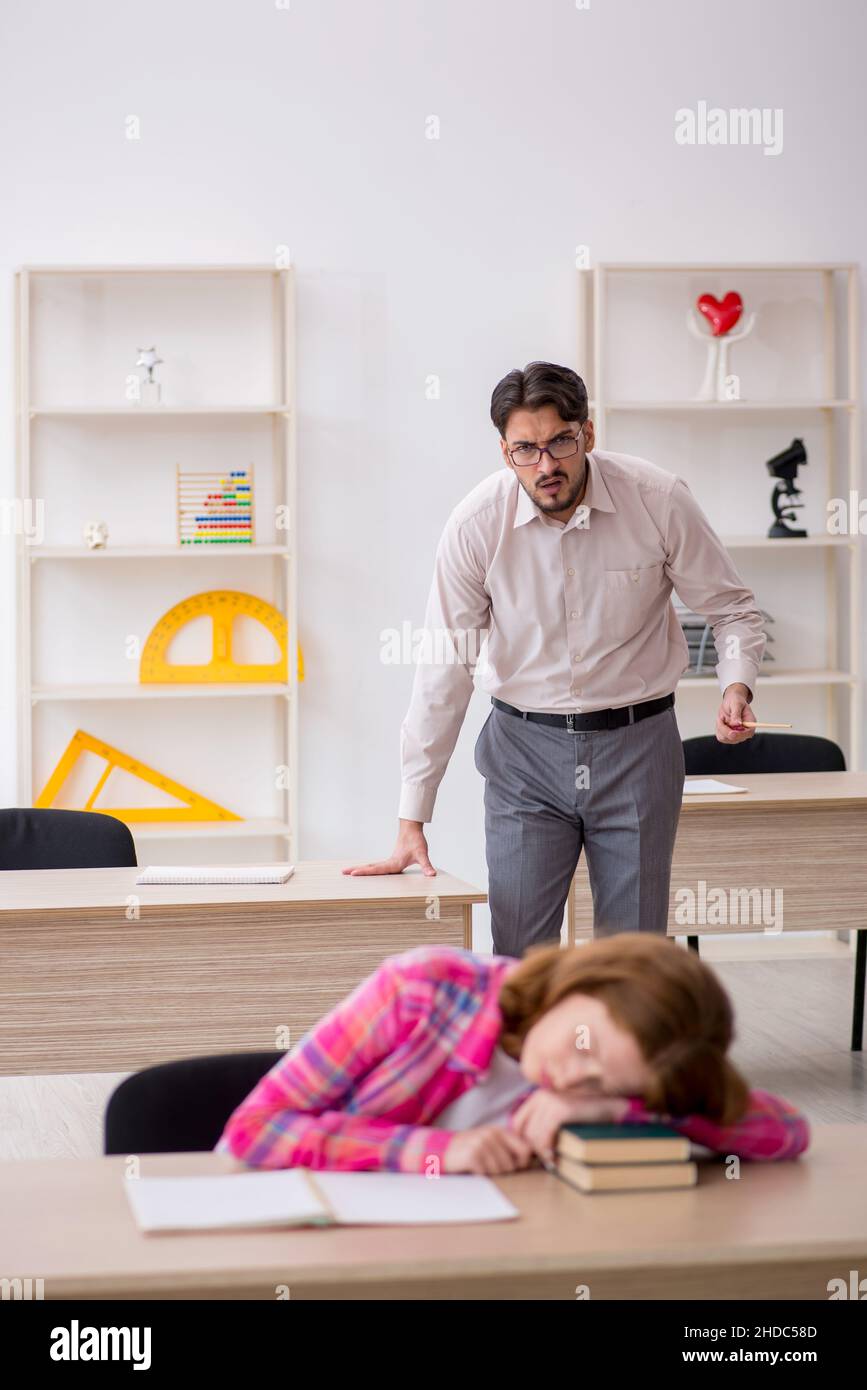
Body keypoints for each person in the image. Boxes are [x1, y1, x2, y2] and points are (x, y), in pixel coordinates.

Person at [343, 361, 767, 956]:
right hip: (523, 757)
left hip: (638, 747)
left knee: (633, 960)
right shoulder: (476, 525)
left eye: (560, 442)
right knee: (519, 959)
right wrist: (414, 814)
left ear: (587, 434)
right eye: (526, 449)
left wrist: (736, 685)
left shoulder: (657, 499)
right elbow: (446, 666)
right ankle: (527, 1056)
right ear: (505, 452)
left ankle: (622, 1053)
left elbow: (732, 609)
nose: (546, 465)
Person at [217, 935, 808, 1174]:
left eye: (601, 1082)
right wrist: (438, 1153)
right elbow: (254, 1131)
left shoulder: (599, 1092)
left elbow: (787, 1133)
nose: (570, 1076)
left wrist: (619, 1113)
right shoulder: (424, 988)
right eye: (585, 1044)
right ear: (582, 982)